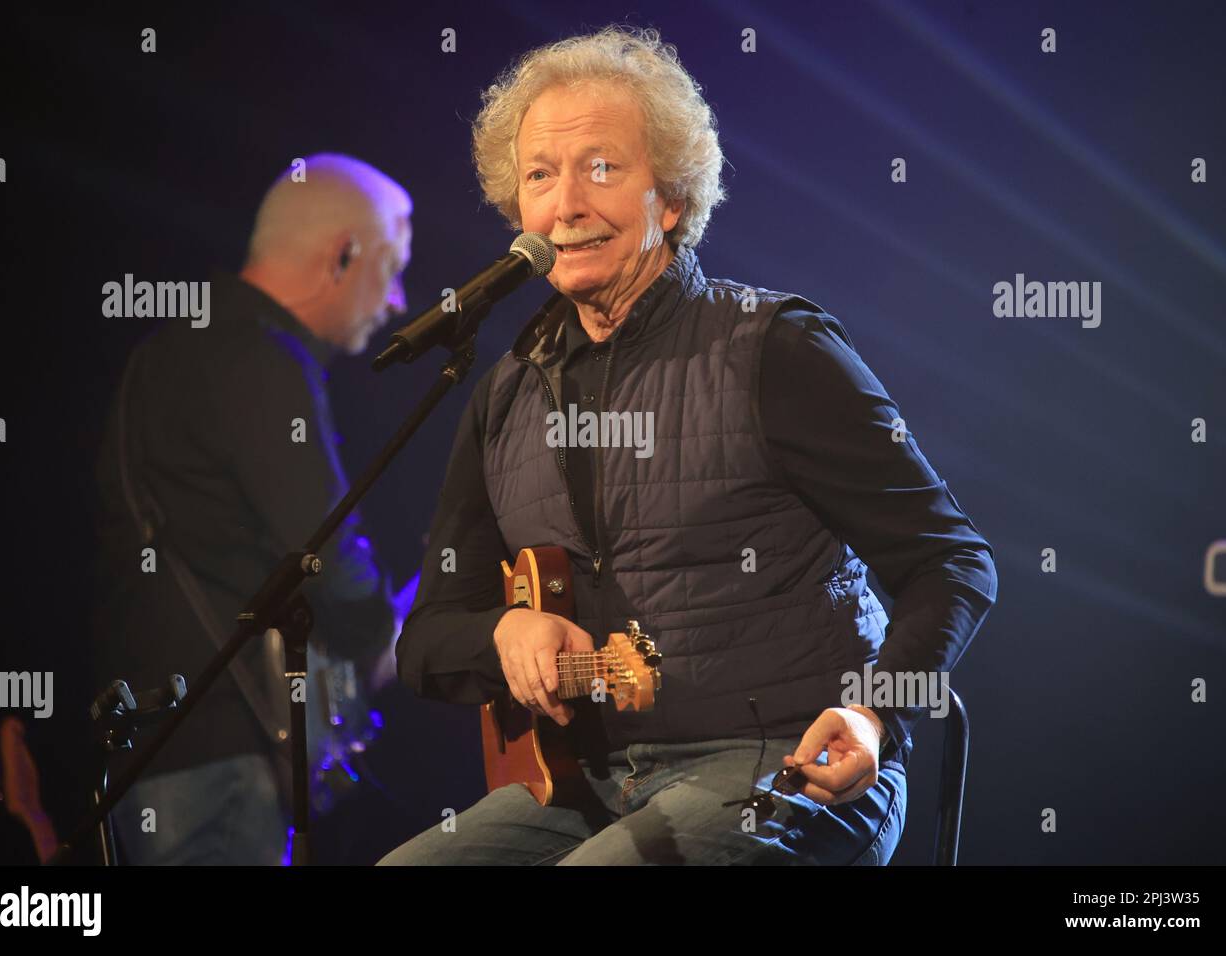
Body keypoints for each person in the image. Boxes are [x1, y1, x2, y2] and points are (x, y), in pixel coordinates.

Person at [379, 27, 997, 866]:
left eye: (600, 167)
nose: (565, 204)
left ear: (669, 199)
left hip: (784, 761)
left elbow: (952, 562)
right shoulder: (505, 394)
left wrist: (876, 711)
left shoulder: (776, 349)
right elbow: (425, 642)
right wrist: (502, 636)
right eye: (539, 176)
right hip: (584, 787)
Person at [92, 154, 411, 864]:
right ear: (343, 254)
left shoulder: (172, 349)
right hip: (222, 754)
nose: (396, 302)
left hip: (162, 742)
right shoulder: (259, 355)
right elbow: (320, 546)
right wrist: (380, 629)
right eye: (390, 270)